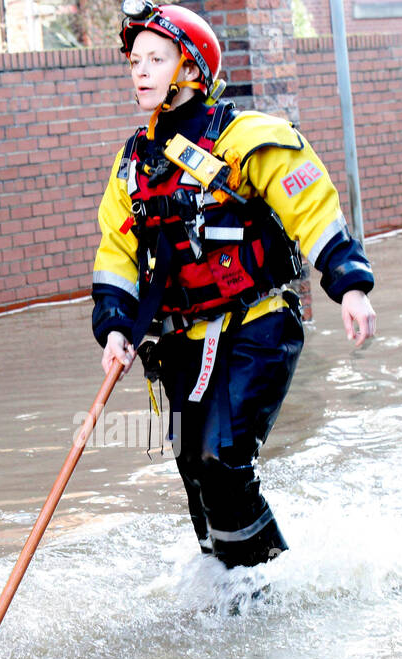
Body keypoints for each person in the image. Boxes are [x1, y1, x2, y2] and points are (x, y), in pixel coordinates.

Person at [91, 1, 377, 571]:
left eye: (156, 59)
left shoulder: (248, 137)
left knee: (220, 458)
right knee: (195, 469)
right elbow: (117, 252)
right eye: (134, 61)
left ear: (191, 69)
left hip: (257, 326)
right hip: (179, 343)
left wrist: (349, 284)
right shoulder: (133, 164)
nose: (140, 71)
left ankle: (266, 585)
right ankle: (224, 589)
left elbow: (310, 205)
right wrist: (116, 328)